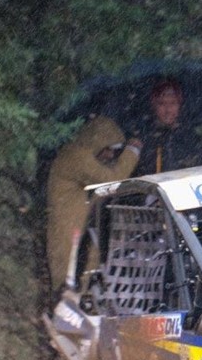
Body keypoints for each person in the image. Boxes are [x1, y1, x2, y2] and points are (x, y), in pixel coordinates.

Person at [46, 116, 142, 292]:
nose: (111, 155)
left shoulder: (78, 156)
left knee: (77, 281)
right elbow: (112, 180)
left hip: (75, 233)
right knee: (69, 282)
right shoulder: (77, 157)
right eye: (108, 149)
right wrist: (132, 152)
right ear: (97, 143)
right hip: (68, 235)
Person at [132, 79, 202, 176]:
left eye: (173, 103)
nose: (168, 110)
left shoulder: (193, 140)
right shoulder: (141, 140)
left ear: (179, 105)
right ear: (154, 106)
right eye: (162, 104)